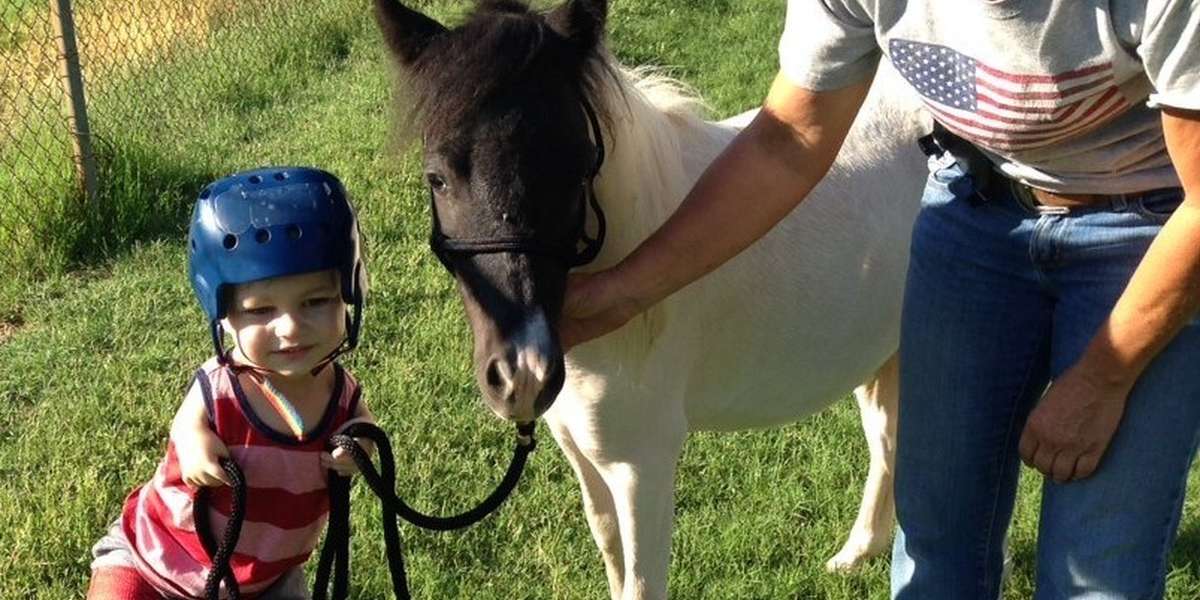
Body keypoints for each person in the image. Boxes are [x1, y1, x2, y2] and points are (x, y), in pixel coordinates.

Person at [558, 1, 1200, 598]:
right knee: (936, 543)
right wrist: (622, 293)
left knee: (1097, 569)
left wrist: (1102, 379)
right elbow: (789, 140)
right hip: (974, 202)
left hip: (1153, 225)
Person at [85, 167, 376, 600]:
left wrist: (362, 445)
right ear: (223, 314)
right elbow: (185, 425)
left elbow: (362, 423)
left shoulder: (341, 393)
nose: (290, 327)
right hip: (154, 559)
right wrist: (195, 443)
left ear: (348, 294)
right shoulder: (220, 385)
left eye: (315, 301)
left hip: (264, 581)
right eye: (260, 311)